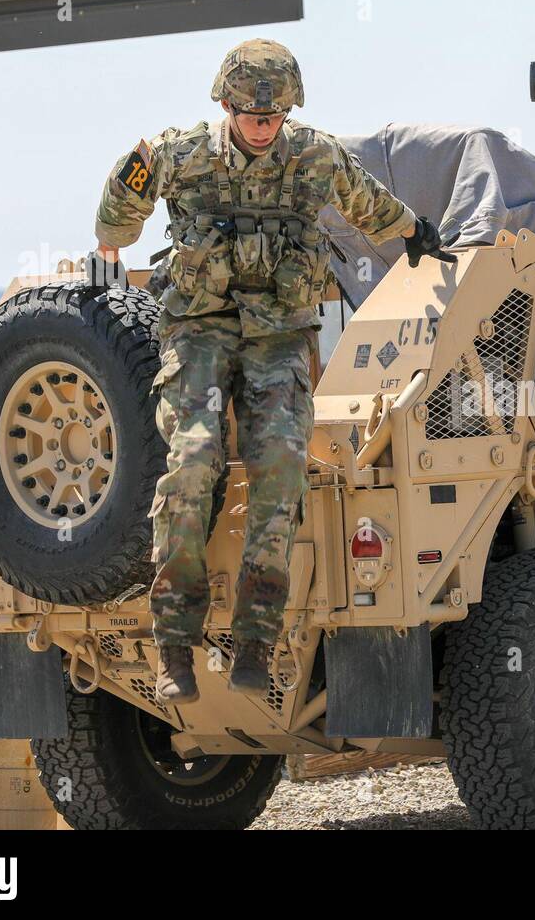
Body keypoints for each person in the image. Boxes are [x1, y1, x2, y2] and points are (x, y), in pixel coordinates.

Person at [89, 38, 454, 704]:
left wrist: (412, 231)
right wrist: (118, 217)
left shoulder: (313, 155)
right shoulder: (183, 154)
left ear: (287, 110)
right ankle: (175, 641)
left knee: (281, 464)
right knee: (194, 459)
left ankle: (256, 638)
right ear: (226, 104)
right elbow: (119, 211)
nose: (263, 125)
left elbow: (365, 199)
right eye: (252, 114)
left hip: (279, 338)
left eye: (273, 115)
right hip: (199, 334)